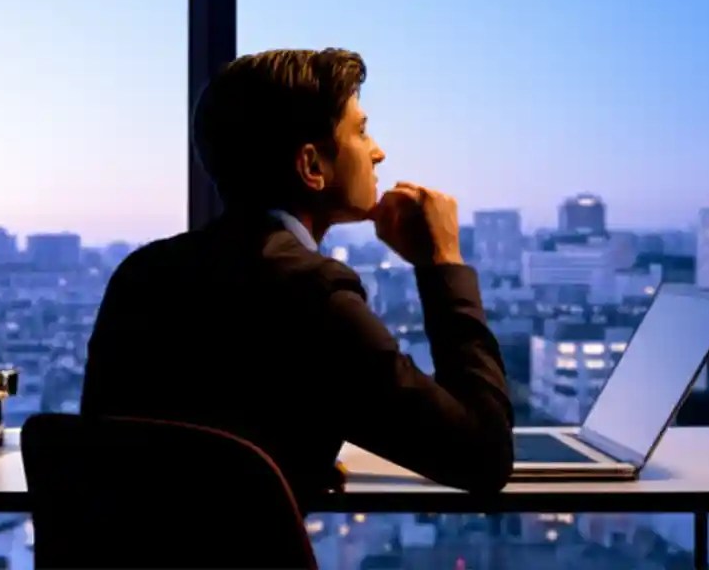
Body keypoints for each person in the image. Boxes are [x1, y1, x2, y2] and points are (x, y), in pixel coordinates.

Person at [80, 48, 513, 505]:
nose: (378, 151)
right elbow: (483, 456)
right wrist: (442, 261)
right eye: (361, 132)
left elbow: (140, 453)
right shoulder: (314, 292)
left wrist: (288, 448)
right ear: (311, 167)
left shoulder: (142, 274)